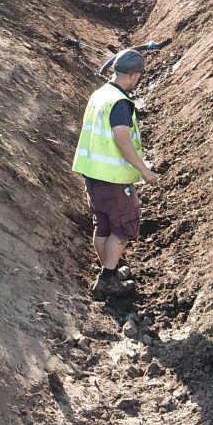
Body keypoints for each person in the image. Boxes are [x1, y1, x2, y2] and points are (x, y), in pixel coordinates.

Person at [71, 47, 158, 297]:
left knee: (103, 225)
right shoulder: (120, 102)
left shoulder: (100, 94)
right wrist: (144, 170)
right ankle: (107, 280)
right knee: (123, 228)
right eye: (138, 77)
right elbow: (122, 139)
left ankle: (109, 269)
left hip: (92, 174)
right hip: (113, 179)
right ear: (133, 76)